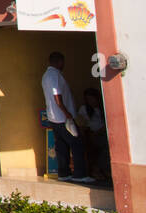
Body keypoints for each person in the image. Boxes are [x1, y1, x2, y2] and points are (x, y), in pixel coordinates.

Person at [41, 52, 94, 184]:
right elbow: (57, 97)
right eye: (62, 62)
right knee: (77, 143)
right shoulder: (54, 75)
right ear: (59, 62)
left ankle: (64, 173)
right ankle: (79, 174)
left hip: (54, 117)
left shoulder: (46, 75)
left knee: (62, 145)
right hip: (62, 117)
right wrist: (67, 113)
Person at [78, 88, 111, 183]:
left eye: (92, 99)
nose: (91, 101)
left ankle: (102, 169)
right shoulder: (84, 109)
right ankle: (98, 169)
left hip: (103, 133)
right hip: (91, 134)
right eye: (88, 99)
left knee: (109, 144)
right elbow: (81, 124)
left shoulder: (102, 108)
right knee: (104, 144)